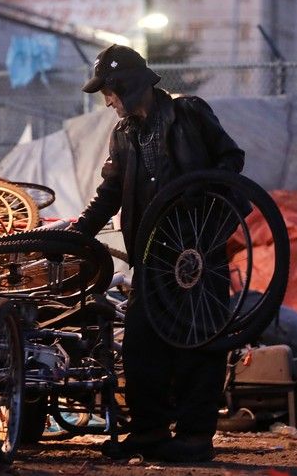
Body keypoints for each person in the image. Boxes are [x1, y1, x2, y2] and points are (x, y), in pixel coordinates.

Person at [72, 44, 246, 463]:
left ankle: (193, 438)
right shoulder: (124, 133)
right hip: (152, 257)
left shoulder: (189, 113)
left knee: (197, 346)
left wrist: (201, 195)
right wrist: (78, 235)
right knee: (140, 347)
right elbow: (111, 191)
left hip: (197, 255)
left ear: (128, 85)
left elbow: (231, 159)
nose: (108, 101)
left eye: (109, 92)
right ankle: (148, 433)